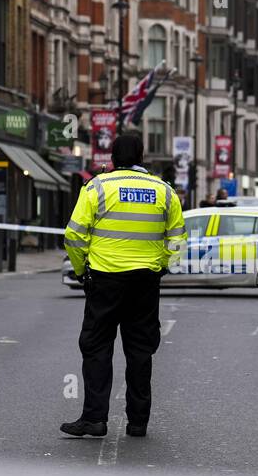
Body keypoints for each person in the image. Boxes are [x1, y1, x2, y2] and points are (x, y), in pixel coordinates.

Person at [62, 133, 186, 438]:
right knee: (141, 351)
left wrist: (81, 270)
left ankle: (94, 418)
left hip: (105, 280)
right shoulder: (164, 191)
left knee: (96, 347)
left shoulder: (97, 187)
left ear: (112, 158)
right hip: (145, 282)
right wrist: (163, 266)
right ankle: (138, 422)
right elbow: (179, 239)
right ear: (142, 156)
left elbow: (74, 235)